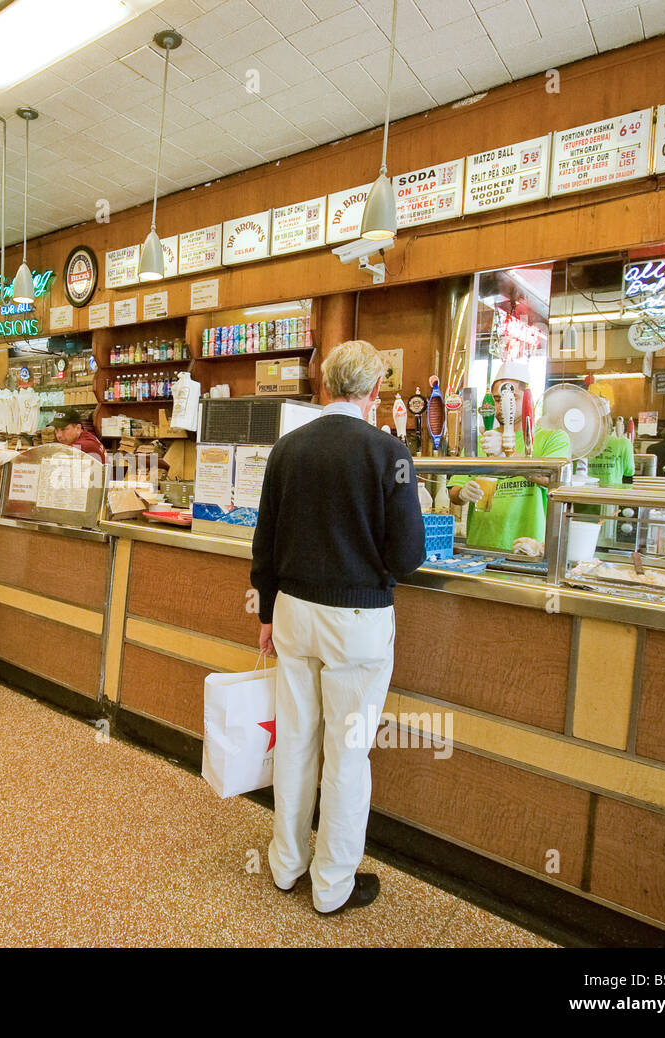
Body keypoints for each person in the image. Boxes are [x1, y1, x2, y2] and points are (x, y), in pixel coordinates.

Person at [251, 339, 425, 915]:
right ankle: (332, 886)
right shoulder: (390, 451)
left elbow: (265, 541)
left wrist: (267, 613)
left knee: (296, 742)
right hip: (356, 620)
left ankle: (284, 865)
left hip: (295, 612)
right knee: (347, 754)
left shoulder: (287, 449)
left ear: (325, 385)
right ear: (376, 391)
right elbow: (407, 558)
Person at [448, 365, 572, 554]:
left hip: (528, 548)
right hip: (480, 547)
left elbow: (554, 482)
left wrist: (507, 453)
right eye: (497, 400)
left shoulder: (553, 438)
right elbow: (454, 492)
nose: (502, 406)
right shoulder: (482, 441)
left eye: (511, 399)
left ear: (528, 399)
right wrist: (463, 493)